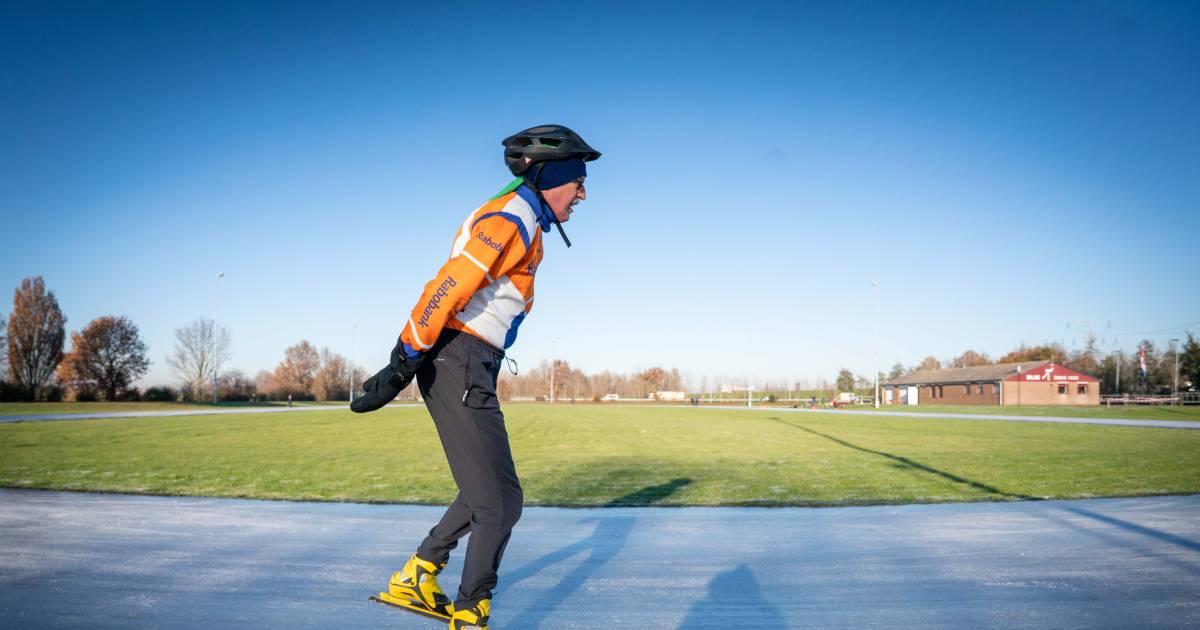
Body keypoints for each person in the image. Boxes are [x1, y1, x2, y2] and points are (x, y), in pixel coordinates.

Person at [350, 125, 600, 630]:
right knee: (498, 506)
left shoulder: (525, 221)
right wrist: (402, 361)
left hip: (470, 362)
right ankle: (469, 612)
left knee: (497, 493)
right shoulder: (512, 216)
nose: (583, 193)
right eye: (578, 181)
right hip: (456, 359)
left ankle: (418, 574)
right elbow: (449, 286)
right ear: (552, 176)